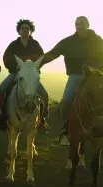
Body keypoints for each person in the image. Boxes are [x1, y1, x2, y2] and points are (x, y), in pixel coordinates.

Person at [39, 16, 103, 145]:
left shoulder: (97, 40)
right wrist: (36, 65)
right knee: (67, 100)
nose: (79, 25)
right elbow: (52, 54)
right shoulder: (68, 42)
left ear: (88, 24)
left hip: (95, 76)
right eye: (77, 23)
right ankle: (65, 128)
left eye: (82, 23)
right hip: (76, 75)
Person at [0, 19, 49, 128]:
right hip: (15, 73)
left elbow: (41, 58)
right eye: (22, 28)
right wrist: (15, 66)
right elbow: (6, 58)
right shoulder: (14, 44)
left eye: (27, 28)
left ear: (31, 31)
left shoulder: (35, 44)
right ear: (19, 31)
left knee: (44, 95)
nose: (25, 30)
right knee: (1, 90)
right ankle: (1, 116)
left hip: (30, 76)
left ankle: (42, 118)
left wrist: (34, 67)